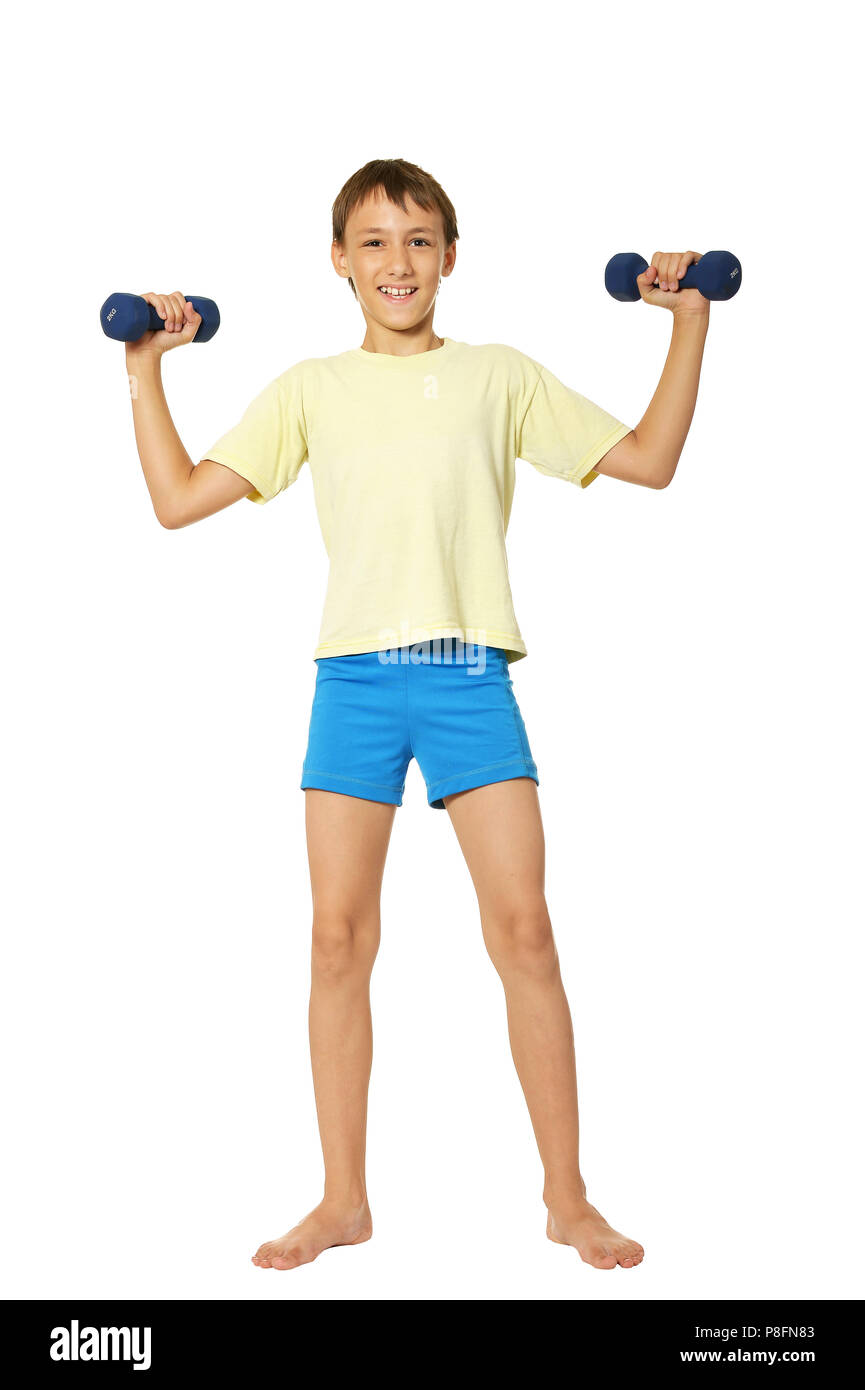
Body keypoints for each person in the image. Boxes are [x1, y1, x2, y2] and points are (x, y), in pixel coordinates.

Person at [124, 157, 710, 1273]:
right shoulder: (309, 388)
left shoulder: (497, 375)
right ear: (339, 260)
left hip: (466, 678)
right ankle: (343, 1198)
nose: (400, 262)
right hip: (352, 682)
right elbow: (176, 500)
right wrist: (144, 366)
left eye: (421, 240)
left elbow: (649, 459)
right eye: (377, 242)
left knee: (525, 933)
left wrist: (687, 322)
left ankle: (567, 1197)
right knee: (337, 941)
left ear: (451, 256)